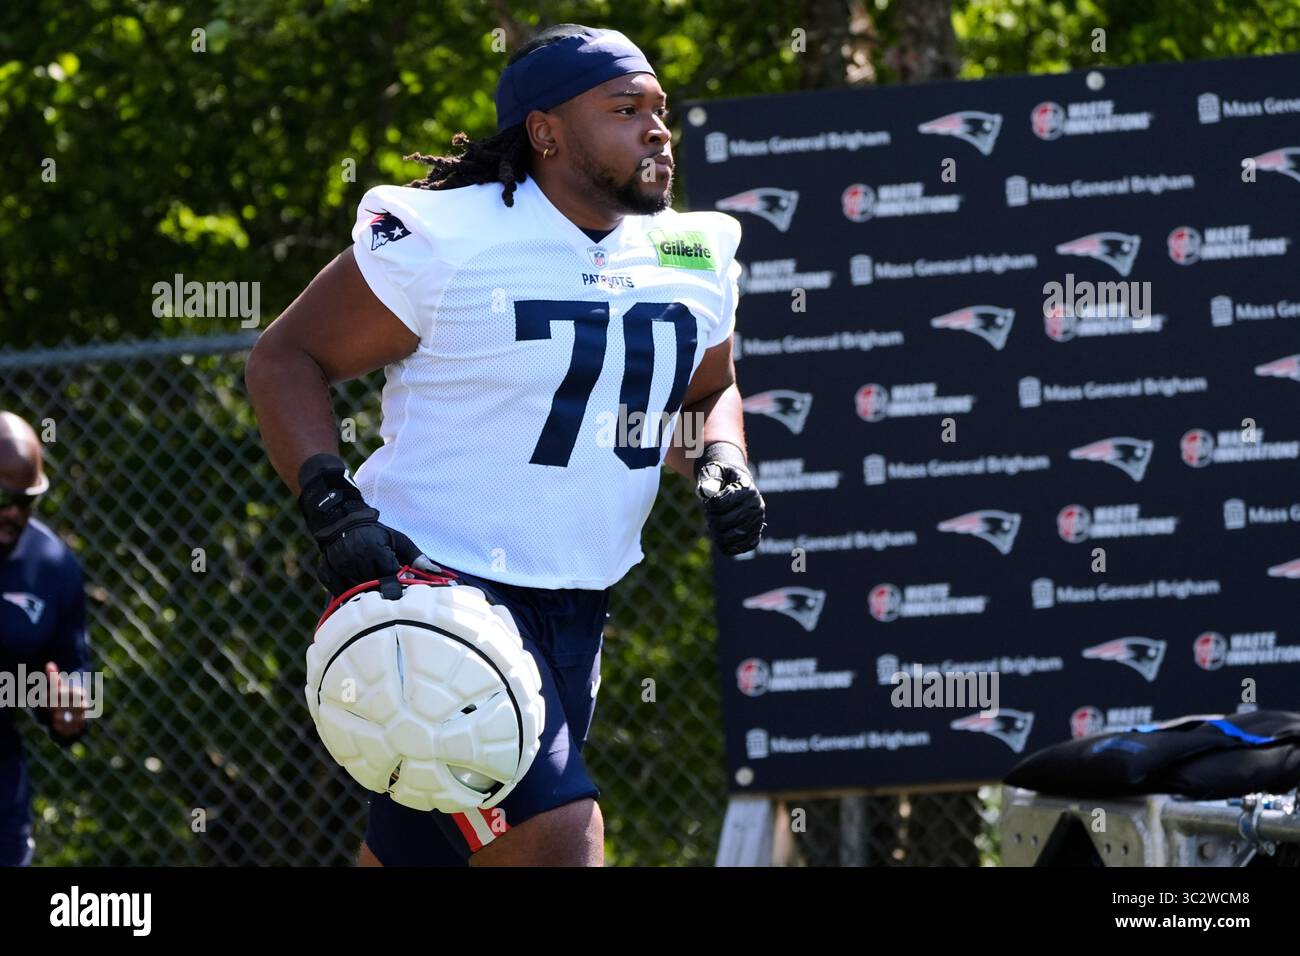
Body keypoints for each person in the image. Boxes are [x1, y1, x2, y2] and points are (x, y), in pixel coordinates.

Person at [246, 23, 765, 867]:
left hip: (579, 597)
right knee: (563, 835)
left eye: (660, 109)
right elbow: (283, 358)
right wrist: (330, 502)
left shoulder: (690, 249)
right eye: (625, 107)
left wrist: (723, 457)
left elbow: (708, 391)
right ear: (546, 131)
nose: (657, 128)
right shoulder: (449, 237)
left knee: (426, 856)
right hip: (440, 590)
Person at [0, 411, 92, 867]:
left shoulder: (51, 565)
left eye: (24, 498)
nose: (13, 511)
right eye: (2, 496)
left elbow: (69, 663)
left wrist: (69, 705)